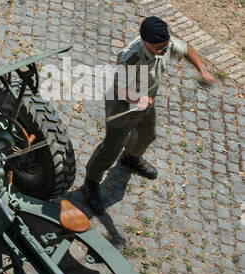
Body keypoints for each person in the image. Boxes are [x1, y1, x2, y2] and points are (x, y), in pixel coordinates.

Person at [83, 16, 215, 213]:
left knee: (147, 135)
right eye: (160, 48)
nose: (164, 51)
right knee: (111, 148)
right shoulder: (131, 57)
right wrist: (138, 99)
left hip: (146, 100)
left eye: (166, 46)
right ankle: (91, 183)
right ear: (146, 42)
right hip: (123, 105)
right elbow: (119, 87)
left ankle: (130, 158)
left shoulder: (164, 43)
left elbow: (185, 49)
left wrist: (202, 69)